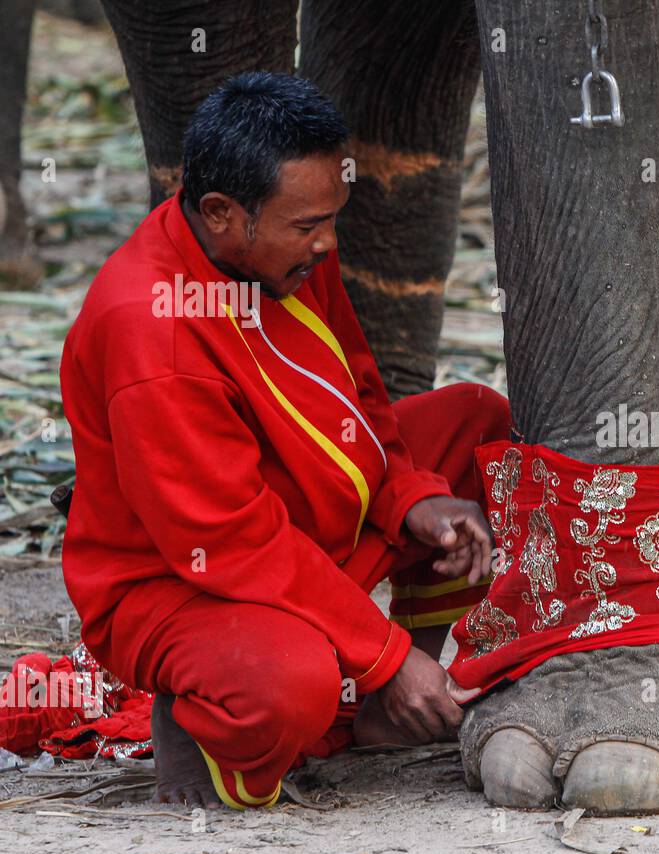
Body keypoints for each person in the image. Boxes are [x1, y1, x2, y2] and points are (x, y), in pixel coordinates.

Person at [59, 72, 507, 809]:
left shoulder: (277, 256)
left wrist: (409, 496)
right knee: (286, 685)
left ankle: (392, 707)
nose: (328, 244)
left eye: (332, 217)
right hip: (184, 579)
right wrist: (383, 656)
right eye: (308, 225)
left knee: (473, 424)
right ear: (221, 213)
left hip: (298, 520)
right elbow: (231, 540)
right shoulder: (150, 330)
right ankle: (206, 719)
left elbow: (362, 395)